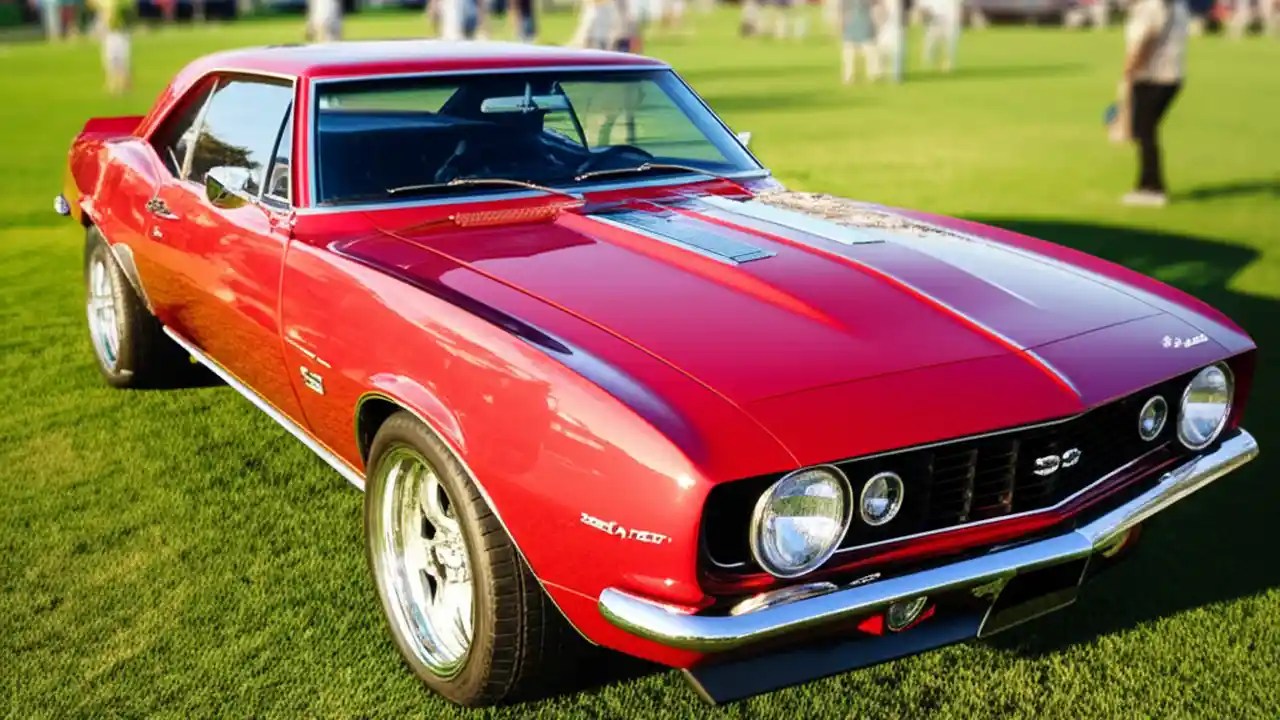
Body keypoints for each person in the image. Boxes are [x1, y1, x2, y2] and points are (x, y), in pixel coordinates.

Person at [1121, 0, 1189, 206]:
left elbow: (1145, 40)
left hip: (1152, 76)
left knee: (1144, 131)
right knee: (1145, 131)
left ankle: (1152, 187)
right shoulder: (1175, 6)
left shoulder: (1150, 8)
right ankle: (1146, 183)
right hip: (1172, 75)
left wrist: (1129, 71)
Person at [88, 0, 135, 94]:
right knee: (112, 60)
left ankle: (123, 82)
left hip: (120, 32)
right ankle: (113, 82)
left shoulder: (117, 3)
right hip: (111, 33)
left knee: (120, 59)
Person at [840, 0, 880, 83]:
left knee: (868, 50)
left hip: (862, 23)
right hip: (854, 25)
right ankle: (849, 76)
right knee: (851, 52)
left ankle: (872, 73)